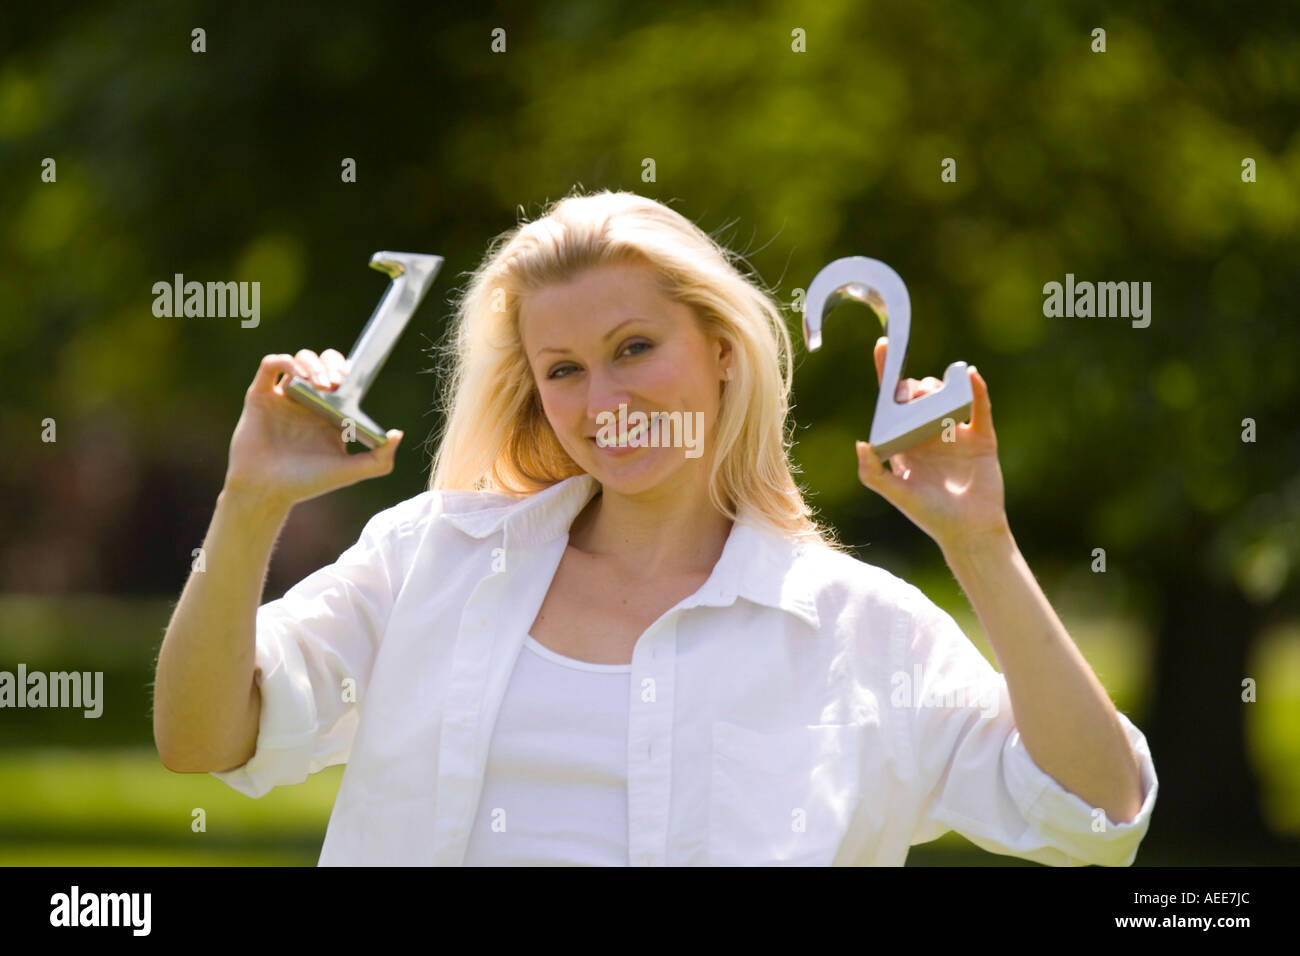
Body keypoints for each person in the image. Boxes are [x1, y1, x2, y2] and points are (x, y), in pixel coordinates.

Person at [152, 188, 1157, 866]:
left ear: (721, 349)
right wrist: (249, 504)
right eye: (563, 369)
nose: (603, 399)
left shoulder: (856, 629)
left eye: (634, 345)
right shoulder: (432, 557)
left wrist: (981, 544)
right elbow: (200, 736)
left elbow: (1099, 813)